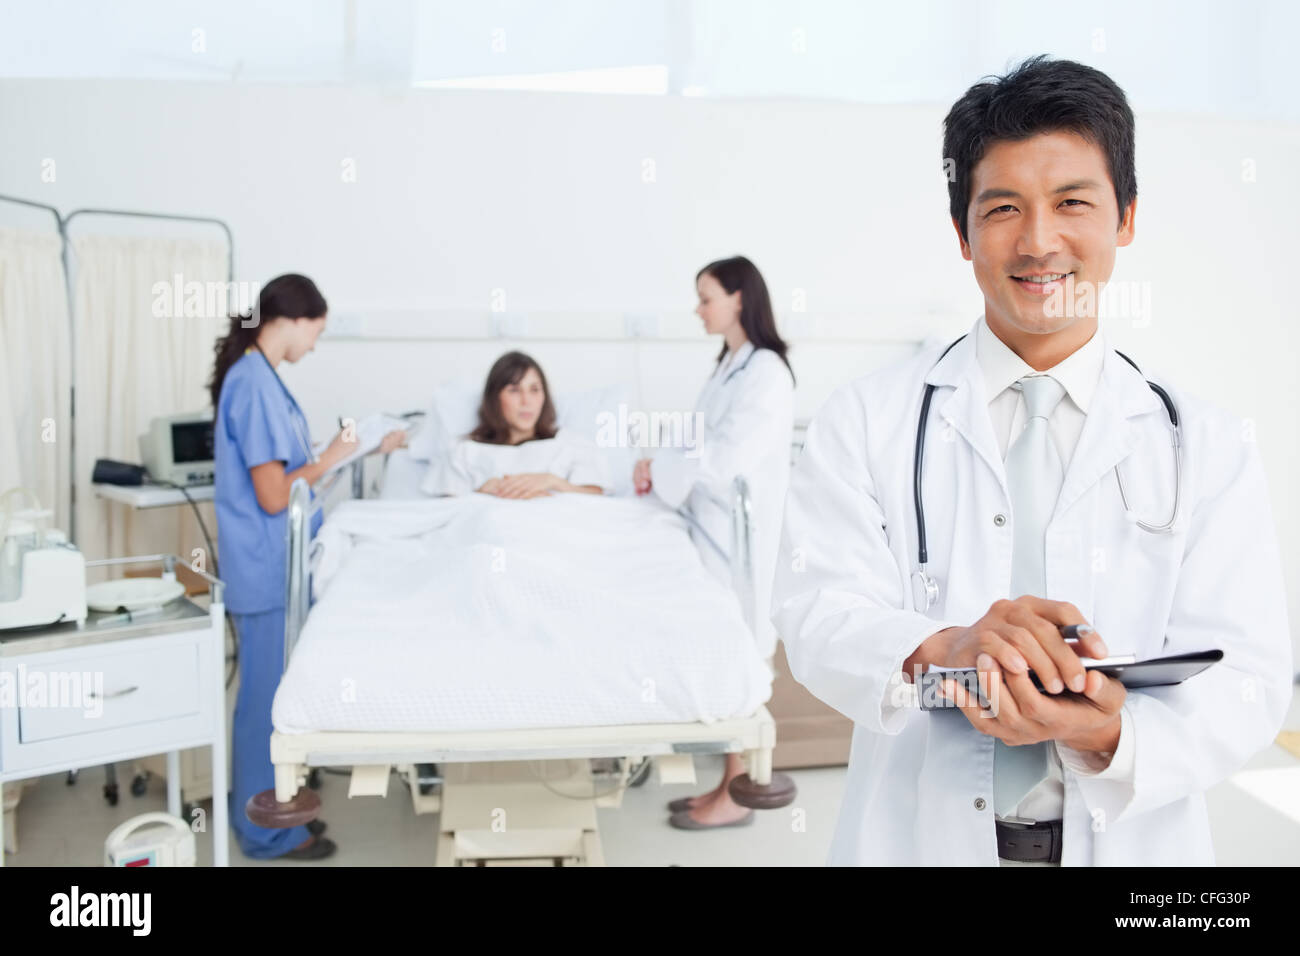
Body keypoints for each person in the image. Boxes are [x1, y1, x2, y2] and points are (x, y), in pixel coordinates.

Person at [771, 57, 1291, 865]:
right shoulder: (867, 420)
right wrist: (945, 646)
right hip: (919, 838)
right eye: (1004, 207)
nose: (1039, 240)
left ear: (1125, 217)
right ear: (962, 232)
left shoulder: (1208, 445)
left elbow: (1250, 675)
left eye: (1072, 202)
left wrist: (1109, 731)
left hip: (1132, 841)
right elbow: (816, 615)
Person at [211, 273, 405, 860]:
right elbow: (275, 495)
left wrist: (351, 450)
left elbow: (292, 474)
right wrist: (336, 456)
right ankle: (266, 832)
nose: (314, 346)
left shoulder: (264, 380)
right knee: (264, 708)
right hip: (264, 569)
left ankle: (280, 814)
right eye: (315, 333)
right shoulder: (251, 383)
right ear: (290, 320)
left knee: (275, 699)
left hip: (278, 566)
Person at [634, 255, 795, 830]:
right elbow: (697, 442)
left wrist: (669, 467)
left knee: (743, 657)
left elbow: (727, 459)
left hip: (739, 539)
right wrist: (657, 462)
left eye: (706, 298)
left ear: (737, 299)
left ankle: (737, 795)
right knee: (726, 654)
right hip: (713, 531)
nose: (698, 309)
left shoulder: (767, 373)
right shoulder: (729, 365)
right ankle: (724, 784)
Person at [420, 351, 608, 498]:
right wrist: (482, 493)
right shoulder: (465, 451)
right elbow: (447, 514)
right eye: (514, 390)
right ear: (494, 398)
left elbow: (598, 499)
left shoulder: (569, 444)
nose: (527, 401)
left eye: (534, 390)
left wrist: (554, 482)